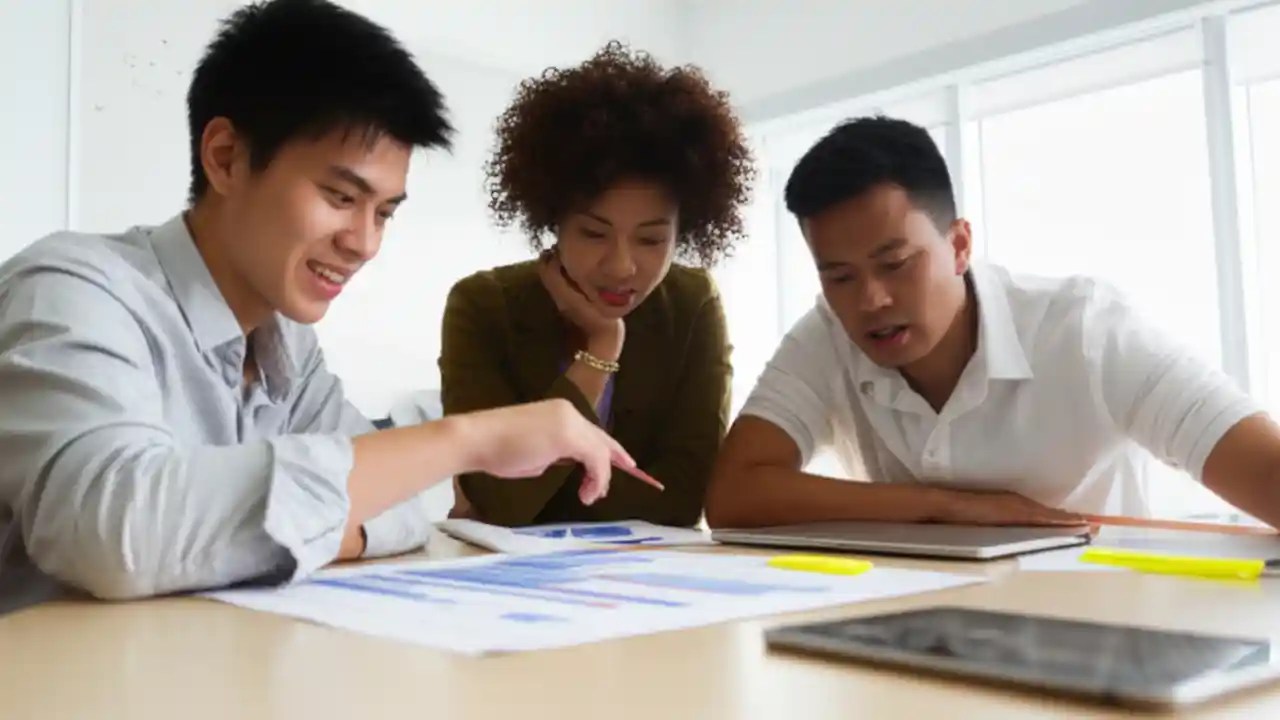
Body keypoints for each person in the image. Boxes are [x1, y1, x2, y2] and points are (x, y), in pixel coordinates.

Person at [0, 0, 631, 602]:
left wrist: (276, 532)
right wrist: (465, 439)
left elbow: (409, 508)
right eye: (340, 197)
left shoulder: (288, 350)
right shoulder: (73, 289)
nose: (363, 243)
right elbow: (118, 533)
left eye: (384, 212)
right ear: (225, 159)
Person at [706, 115, 1280, 530]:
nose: (871, 300)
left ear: (959, 245)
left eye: (896, 264)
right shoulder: (827, 333)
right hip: (917, 630)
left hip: (1103, 625)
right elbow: (734, 494)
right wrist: (944, 505)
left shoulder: (1085, 330)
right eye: (839, 275)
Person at [440, 42, 754, 527]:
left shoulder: (692, 303)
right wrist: (600, 352)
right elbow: (504, 504)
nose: (622, 266)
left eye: (651, 239)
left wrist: (527, 497)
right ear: (554, 220)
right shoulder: (483, 306)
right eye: (593, 233)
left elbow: (682, 501)